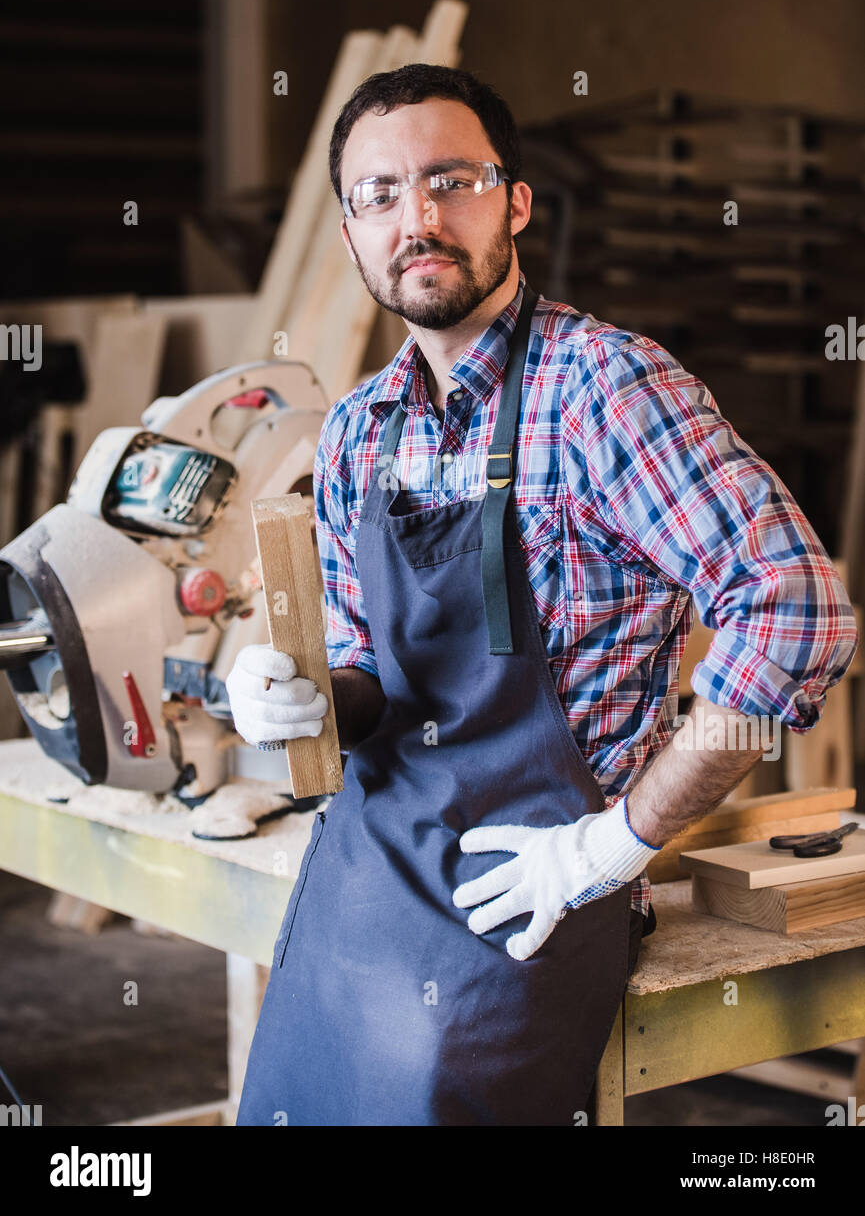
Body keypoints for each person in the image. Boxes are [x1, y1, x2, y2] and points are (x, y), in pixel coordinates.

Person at [227, 64, 858, 1126]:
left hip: (537, 891)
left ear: (514, 202)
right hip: (369, 879)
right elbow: (371, 677)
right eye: (378, 194)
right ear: (348, 232)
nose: (415, 218)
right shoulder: (356, 433)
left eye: (449, 180)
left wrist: (613, 843)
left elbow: (795, 608)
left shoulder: (604, 390)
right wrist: (297, 700)